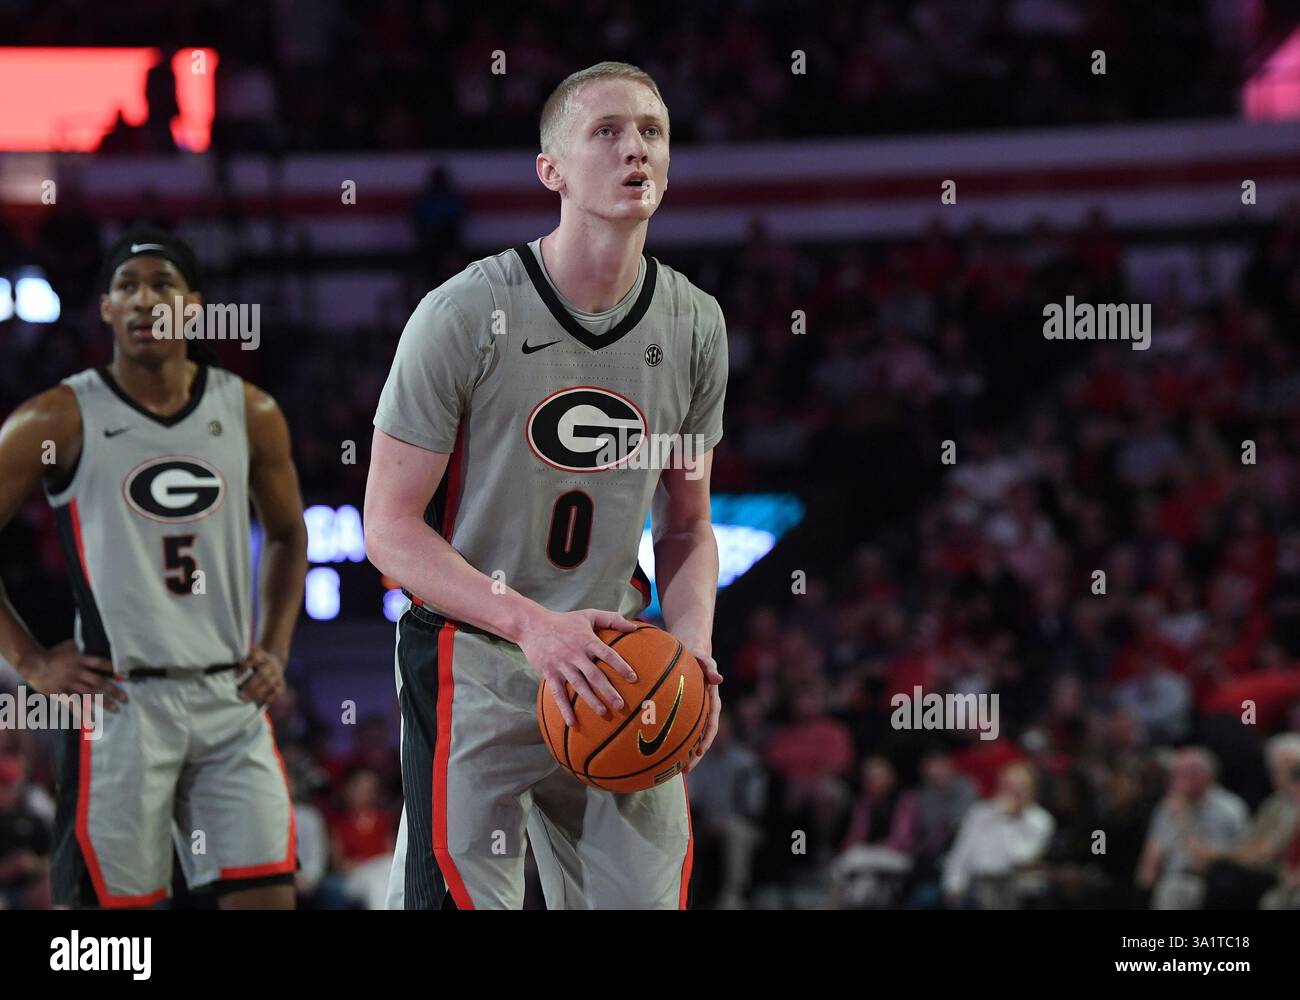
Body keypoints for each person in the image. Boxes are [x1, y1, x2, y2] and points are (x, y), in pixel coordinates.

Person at [365, 61, 727, 909]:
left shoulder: (694, 324)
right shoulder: (461, 314)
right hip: (474, 656)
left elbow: (687, 527)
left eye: (652, 131)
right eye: (607, 131)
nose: (636, 149)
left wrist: (695, 651)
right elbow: (387, 527)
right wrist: (533, 627)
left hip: (618, 665)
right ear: (551, 170)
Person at [0, 227, 308, 908]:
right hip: (120, 704)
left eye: (162, 283)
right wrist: (30, 663)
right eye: (126, 286)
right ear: (106, 309)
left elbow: (288, 533)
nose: (144, 299)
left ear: (193, 307)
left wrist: (277, 646)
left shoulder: (251, 411)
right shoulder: (59, 417)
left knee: (268, 900)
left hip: (229, 696)